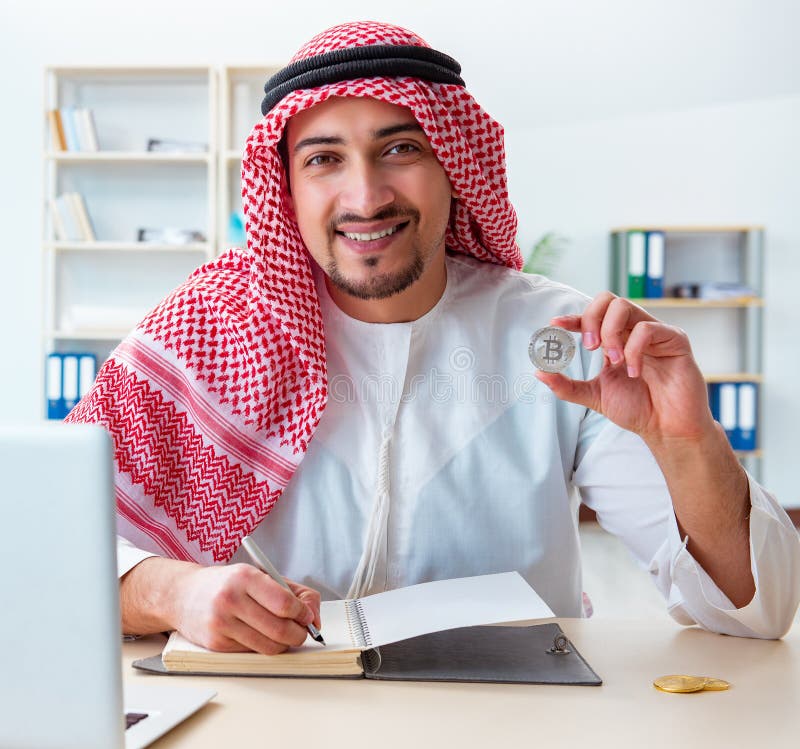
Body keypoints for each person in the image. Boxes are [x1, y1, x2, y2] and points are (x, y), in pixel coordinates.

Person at [68, 21, 800, 654]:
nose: (365, 196)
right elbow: (43, 552)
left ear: (453, 162)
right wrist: (173, 593)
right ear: (285, 187)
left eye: (399, 149)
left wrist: (688, 441)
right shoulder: (207, 331)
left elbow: (751, 612)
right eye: (323, 158)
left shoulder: (557, 337)